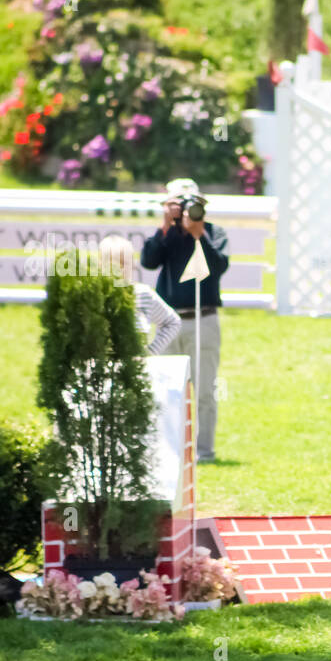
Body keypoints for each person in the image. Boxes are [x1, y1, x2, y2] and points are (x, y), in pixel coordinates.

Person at [140, 178, 230, 462]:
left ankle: (204, 451)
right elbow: (148, 261)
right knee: (165, 387)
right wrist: (166, 225)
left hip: (203, 319)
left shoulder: (214, 232)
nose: (189, 211)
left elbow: (219, 267)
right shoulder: (167, 235)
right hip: (169, 321)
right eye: (181, 204)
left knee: (204, 390)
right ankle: (167, 449)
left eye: (194, 204)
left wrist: (198, 234)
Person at [97, 235, 180, 355]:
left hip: (136, 369)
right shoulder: (93, 296)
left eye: (124, 263)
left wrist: (150, 353)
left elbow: (173, 322)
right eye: (113, 263)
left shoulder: (142, 293)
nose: (119, 269)